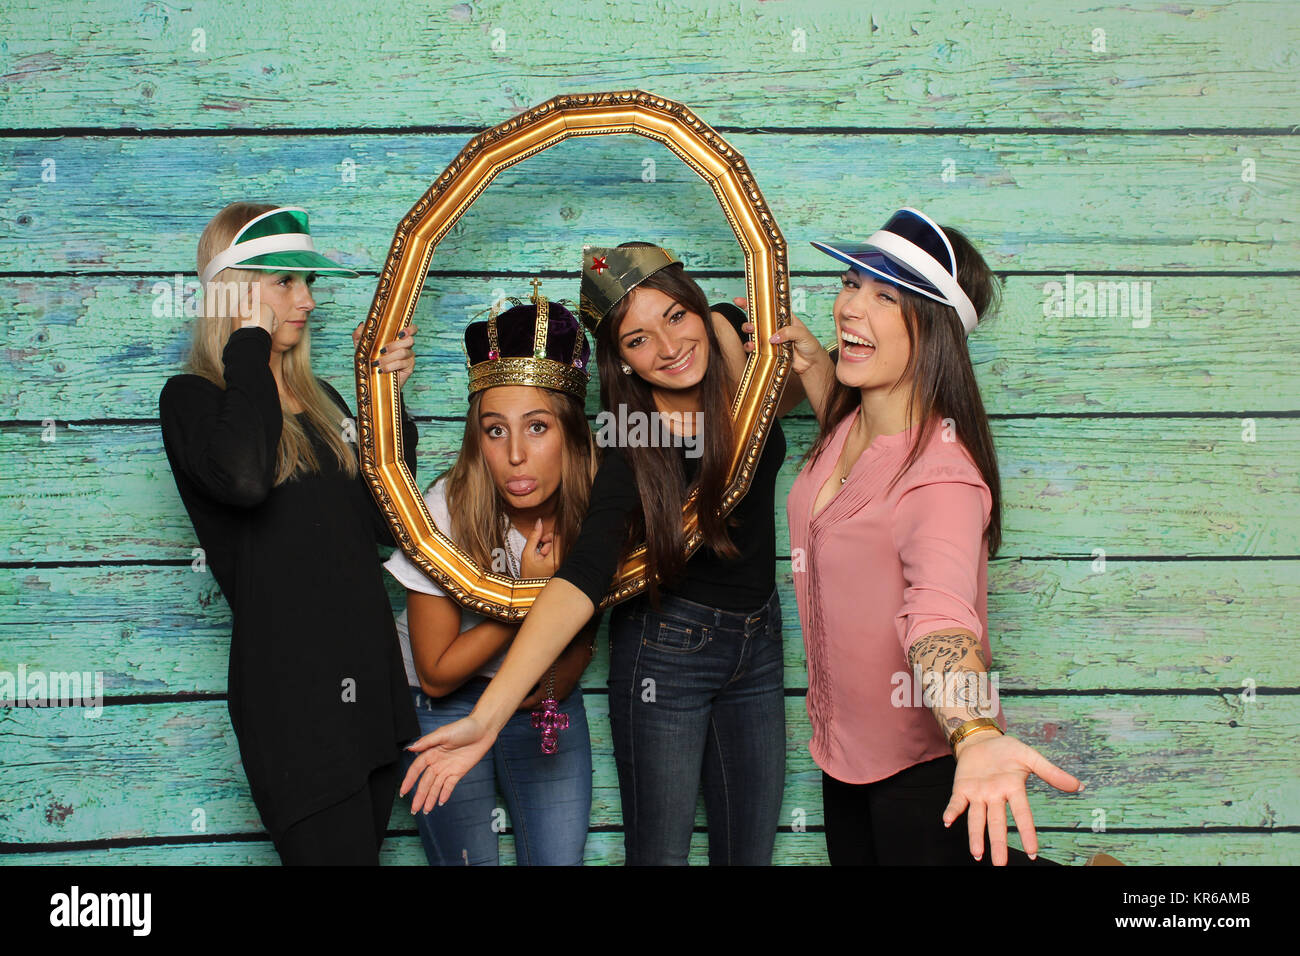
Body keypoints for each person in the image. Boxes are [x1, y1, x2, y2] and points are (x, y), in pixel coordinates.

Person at [401, 243, 830, 864]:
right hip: (668, 653)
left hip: (760, 642)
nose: (668, 347)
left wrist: (815, 368)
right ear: (620, 362)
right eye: (637, 340)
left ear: (695, 307)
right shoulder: (630, 444)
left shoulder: (728, 345)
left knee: (750, 854)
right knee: (659, 855)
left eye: (676, 318)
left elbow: (780, 419)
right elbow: (579, 581)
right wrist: (487, 718)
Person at [780, 207, 1082, 865]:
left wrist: (974, 732)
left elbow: (943, 618)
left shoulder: (941, 478)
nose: (850, 307)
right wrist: (812, 366)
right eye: (851, 282)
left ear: (935, 332)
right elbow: (859, 471)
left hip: (923, 767)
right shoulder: (852, 420)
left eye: (885, 296)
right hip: (841, 752)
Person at [159, 202, 421, 865]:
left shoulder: (326, 399)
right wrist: (248, 338)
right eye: (285, 282)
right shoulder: (193, 400)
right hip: (296, 701)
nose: (306, 300)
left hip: (371, 685)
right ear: (239, 290)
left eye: (310, 283)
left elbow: (388, 524)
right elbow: (245, 480)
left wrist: (389, 403)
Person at [384, 290, 597, 865]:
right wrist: (528, 594)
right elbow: (434, 673)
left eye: (537, 427)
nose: (516, 456)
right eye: (495, 430)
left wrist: (548, 690)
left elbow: (582, 640)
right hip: (444, 703)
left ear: (572, 432)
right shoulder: (445, 506)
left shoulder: (595, 509)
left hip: (541, 698)